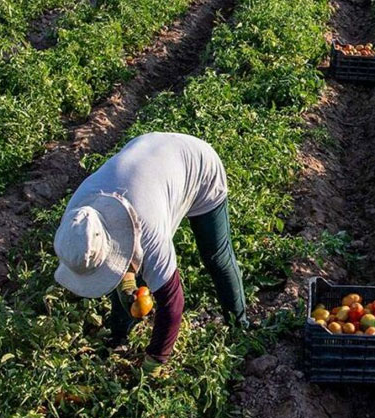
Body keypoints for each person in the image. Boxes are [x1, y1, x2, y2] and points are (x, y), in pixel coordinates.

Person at [53, 132, 248, 374]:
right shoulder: (78, 217)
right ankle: (119, 337)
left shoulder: (149, 231)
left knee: (215, 256)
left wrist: (155, 360)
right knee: (129, 273)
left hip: (198, 166)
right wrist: (126, 285)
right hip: (149, 158)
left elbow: (172, 303)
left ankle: (239, 325)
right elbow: (110, 255)